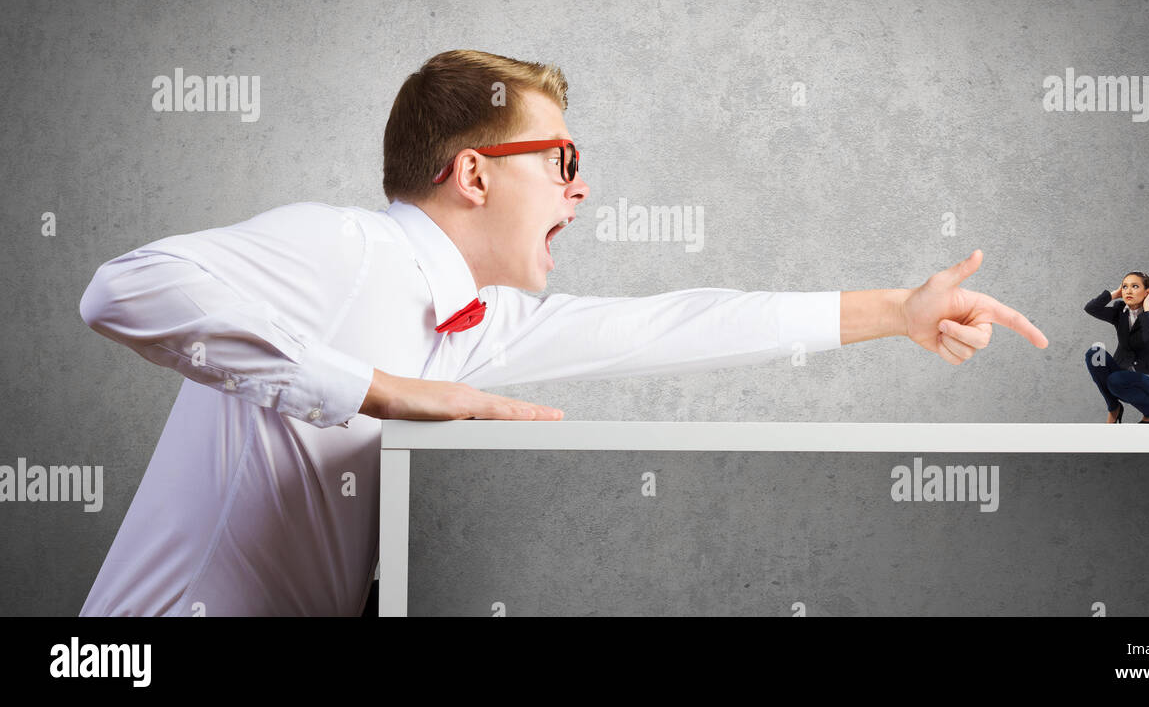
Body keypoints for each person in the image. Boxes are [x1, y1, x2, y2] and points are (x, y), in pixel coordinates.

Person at [77, 49, 1050, 617]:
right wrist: (376, 389)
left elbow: (671, 325)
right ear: (473, 174)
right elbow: (122, 290)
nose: (582, 189)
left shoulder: (478, 326)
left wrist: (896, 310)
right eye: (563, 159)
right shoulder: (345, 248)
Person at [1083, 272, 1149, 423]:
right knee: (1094, 354)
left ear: (1147, 292)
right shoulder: (1120, 311)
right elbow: (1091, 308)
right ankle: (1114, 407)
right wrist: (1114, 294)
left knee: (1116, 381)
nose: (1128, 291)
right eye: (1125, 287)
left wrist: (1146, 308)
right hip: (1122, 373)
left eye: (1135, 286)